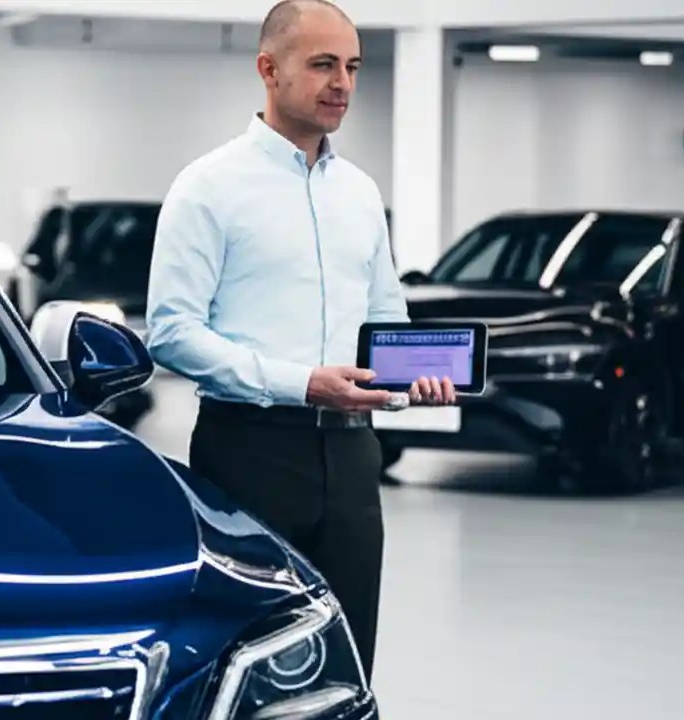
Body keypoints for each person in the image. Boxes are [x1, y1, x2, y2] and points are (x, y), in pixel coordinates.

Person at [144, 0, 456, 681]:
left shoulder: (360, 193)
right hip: (249, 452)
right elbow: (171, 332)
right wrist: (302, 383)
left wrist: (414, 375)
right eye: (322, 65)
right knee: (245, 653)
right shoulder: (208, 187)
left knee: (347, 651)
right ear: (269, 69)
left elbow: (385, 315)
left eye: (352, 67)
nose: (342, 83)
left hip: (353, 455)